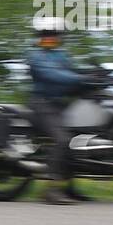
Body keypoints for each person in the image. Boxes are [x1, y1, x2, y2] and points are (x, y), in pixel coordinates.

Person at [27, 26, 90, 205]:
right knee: (62, 140)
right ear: (39, 38)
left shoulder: (63, 55)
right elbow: (52, 75)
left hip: (60, 104)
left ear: (59, 37)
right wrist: (80, 78)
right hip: (42, 104)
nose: (49, 38)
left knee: (77, 139)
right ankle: (51, 190)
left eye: (53, 35)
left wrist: (94, 75)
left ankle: (68, 187)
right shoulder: (36, 56)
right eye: (45, 35)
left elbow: (73, 73)